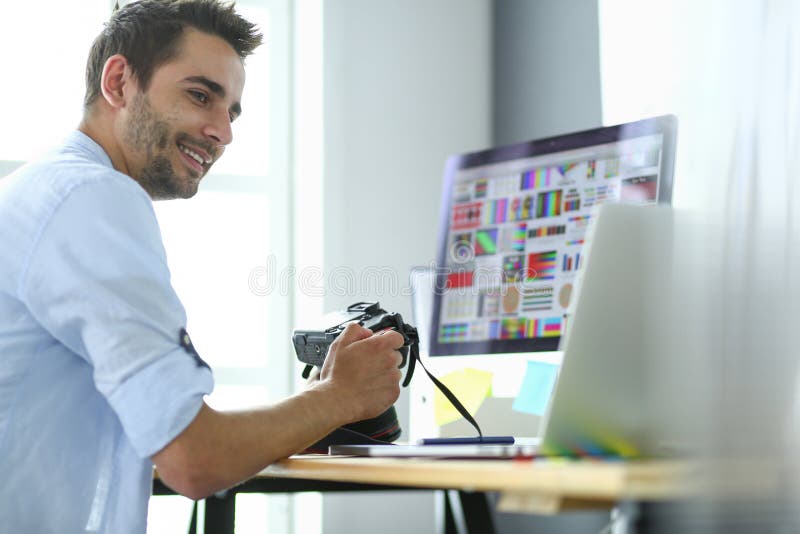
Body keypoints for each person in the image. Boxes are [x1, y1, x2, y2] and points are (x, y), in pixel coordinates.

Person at [0, 1, 404, 532]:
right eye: (199, 95)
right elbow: (195, 461)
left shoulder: (44, 189)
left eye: (231, 112)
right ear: (119, 81)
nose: (222, 132)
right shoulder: (92, 197)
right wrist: (339, 398)